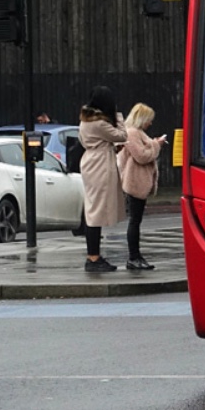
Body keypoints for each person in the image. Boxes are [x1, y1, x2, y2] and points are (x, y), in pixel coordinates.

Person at [77, 86, 128, 272]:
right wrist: (119, 116)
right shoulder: (99, 123)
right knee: (96, 212)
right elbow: (122, 135)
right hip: (100, 164)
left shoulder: (85, 121)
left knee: (93, 209)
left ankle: (94, 255)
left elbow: (89, 142)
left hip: (91, 160)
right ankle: (93, 257)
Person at [117, 102, 166, 271]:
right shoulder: (131, 133)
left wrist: (152, 144)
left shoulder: (136, 133)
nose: (150, 123)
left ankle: (136, 256)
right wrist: (156, 145)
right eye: (149, 120)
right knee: (135, 221)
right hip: (134, 182)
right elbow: (142, 156)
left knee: (136, 220)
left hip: (138, 181)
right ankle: (133, 257)